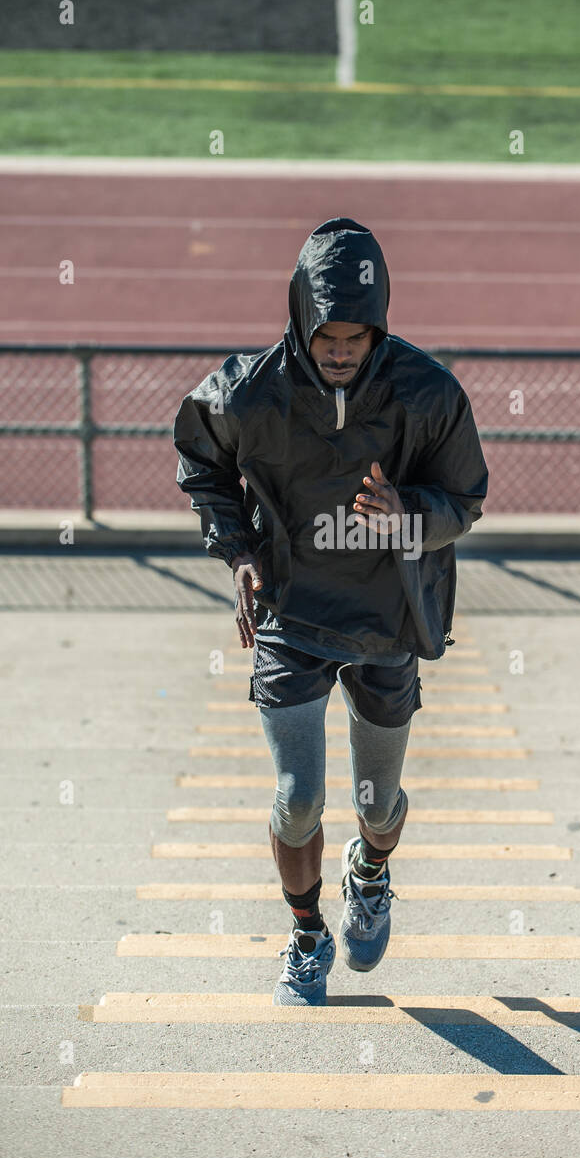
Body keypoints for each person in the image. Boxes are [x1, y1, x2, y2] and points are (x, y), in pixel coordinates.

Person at [173, 216, 488, 1005]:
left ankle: (371, 872)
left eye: (356, 335)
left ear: (379, 326)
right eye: (326, 337)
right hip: (291, 610)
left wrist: (407, 511)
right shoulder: (248, 390)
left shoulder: (428, 392)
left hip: (388, 616)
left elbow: (466, 500)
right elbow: (200, 461)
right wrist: (239, 551)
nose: (341, 351)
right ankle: (306, 931)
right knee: (298, 797)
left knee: (376, 805)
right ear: (299, 322)